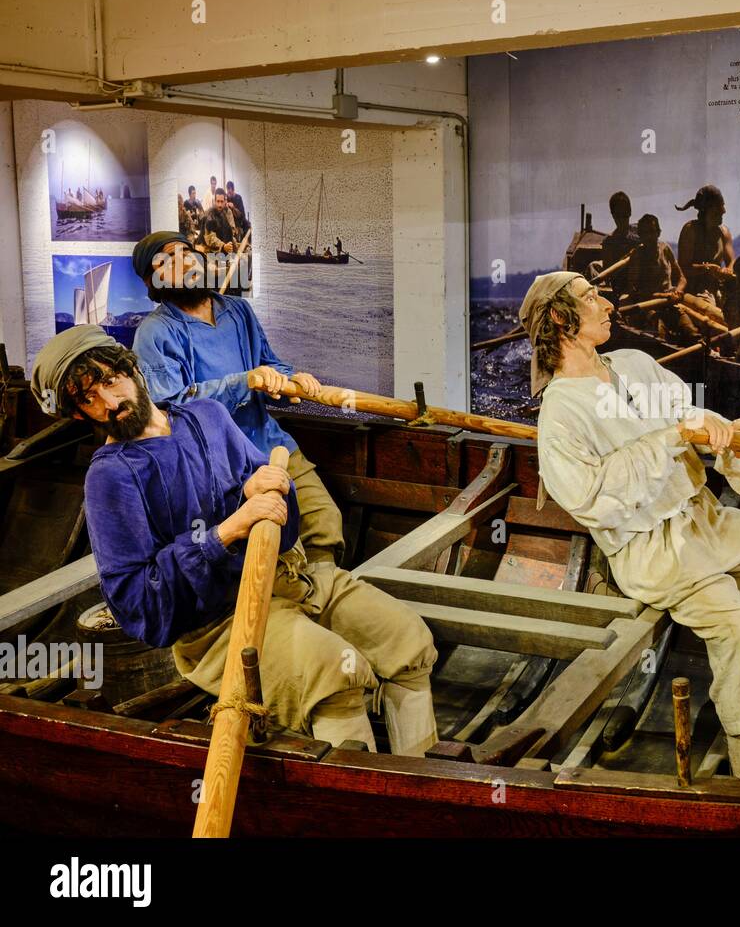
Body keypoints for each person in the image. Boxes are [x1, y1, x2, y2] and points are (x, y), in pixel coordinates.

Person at [522, 271, 740, 789]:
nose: (605, 302)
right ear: (559, 318)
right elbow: (589, 498)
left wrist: (730, 429)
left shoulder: (634, 364)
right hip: (650, 548)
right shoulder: (560, 411)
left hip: (700, 515)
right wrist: (671, 437)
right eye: (590, 297)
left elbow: (686, 415)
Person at [28, 326, 438, 755]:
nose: (110, 403)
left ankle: (425, 783)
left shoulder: (207, 416)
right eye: (89, 399)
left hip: (293, 579)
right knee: (331, 671)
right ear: (78, 414)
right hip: (220, 622)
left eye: (110, 381)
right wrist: (228, 531)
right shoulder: (111, 476)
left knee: (407, 639)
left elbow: (278, 514)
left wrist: (269, 485)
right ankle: (368, 803)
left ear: (131, 368)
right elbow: (135, 600)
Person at [129, 231, 346, 566]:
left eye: (186, 252)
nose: (183, 262)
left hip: (272, 446)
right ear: (152, 280)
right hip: (219, 469)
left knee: (324, 522)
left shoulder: (238, 310)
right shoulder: (155, 333)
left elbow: (267, 362)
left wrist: (289, 379)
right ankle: (291, 601)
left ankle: (321, 592)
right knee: (265, 549)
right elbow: (172, 407)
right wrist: (246, 381)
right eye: (167, 260)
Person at [622, 213, 690, 338]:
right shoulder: (637, 256)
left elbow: (682, 278)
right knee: (658, 332)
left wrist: (678, 291)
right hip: (648, 306)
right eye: (645, 233)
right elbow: (633, 291)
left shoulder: (665, 249)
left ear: (658, 232)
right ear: (640, 235)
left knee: (690, 330)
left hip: (670, 304)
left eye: (652, 232)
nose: (649, 236)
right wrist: (661, 296)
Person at [674, 185, 732, 327]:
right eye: (718, 208)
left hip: (718, 288)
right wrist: (705, 268)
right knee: (713, 318)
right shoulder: (690, 230)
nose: (723, 211)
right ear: (707, 210)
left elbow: (731, 260)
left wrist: (728, 269)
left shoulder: (723, 232)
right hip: (696, 290)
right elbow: (683, 268)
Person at [599, 192, 639, 299]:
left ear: (630, 212)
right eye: (618, 216)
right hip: (625, 289)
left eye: (624, 215)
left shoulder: (641, 231)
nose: (621, 220)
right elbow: (609, 276)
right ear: (613, 215)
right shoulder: (609, 243)